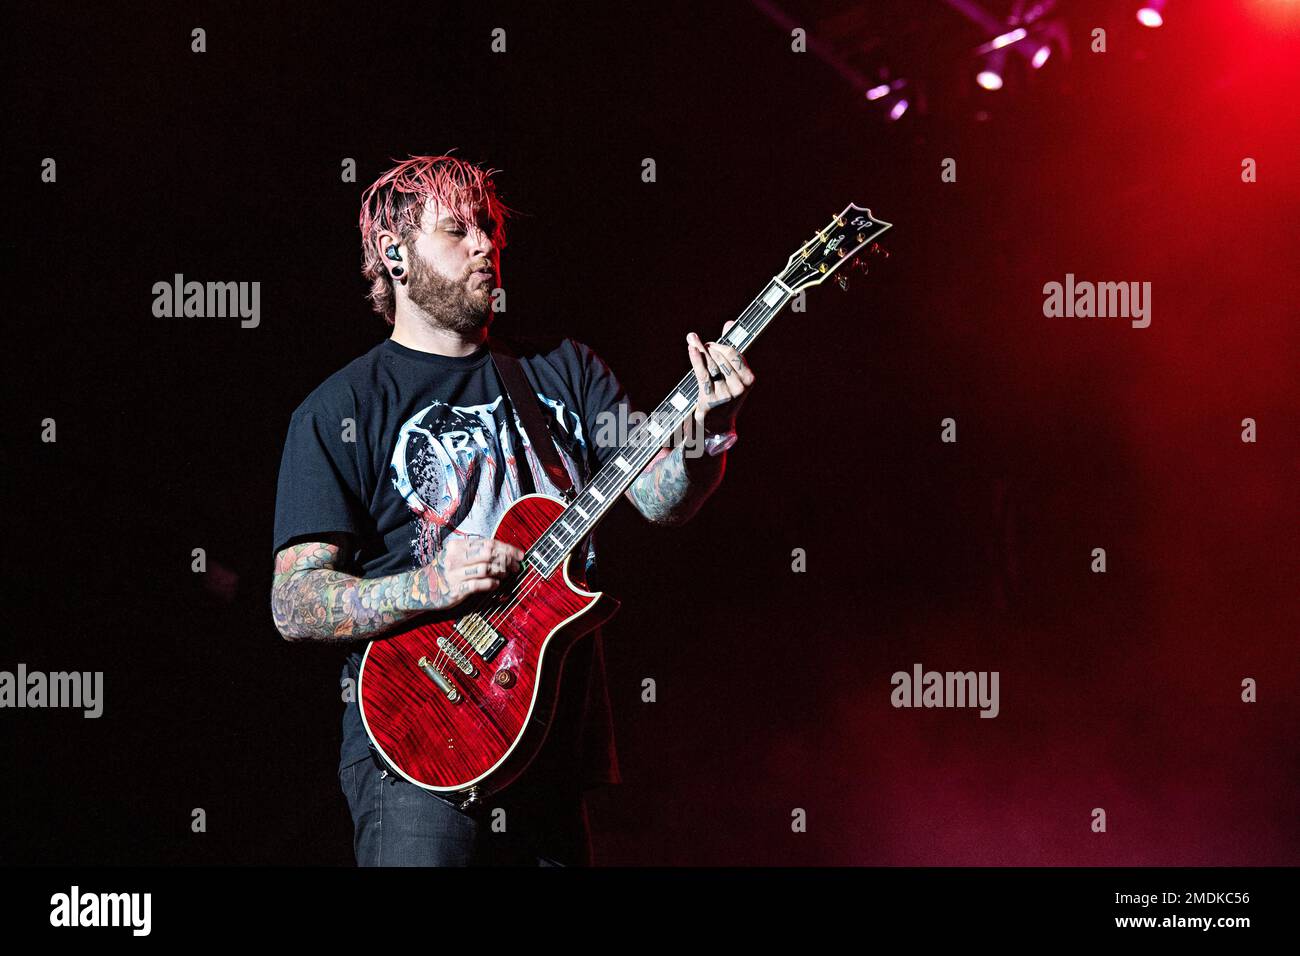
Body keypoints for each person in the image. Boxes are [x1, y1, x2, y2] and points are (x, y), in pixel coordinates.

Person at [270, 154, 755, 866]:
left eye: (490, 228)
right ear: (394, 255)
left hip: (547, 743)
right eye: (456, 229)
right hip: (416, 746)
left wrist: (708, 433)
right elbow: (296, 601)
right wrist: (429, 587)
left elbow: (659, 499)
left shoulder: (564, 369)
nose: (484, 244)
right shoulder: (339, 410)